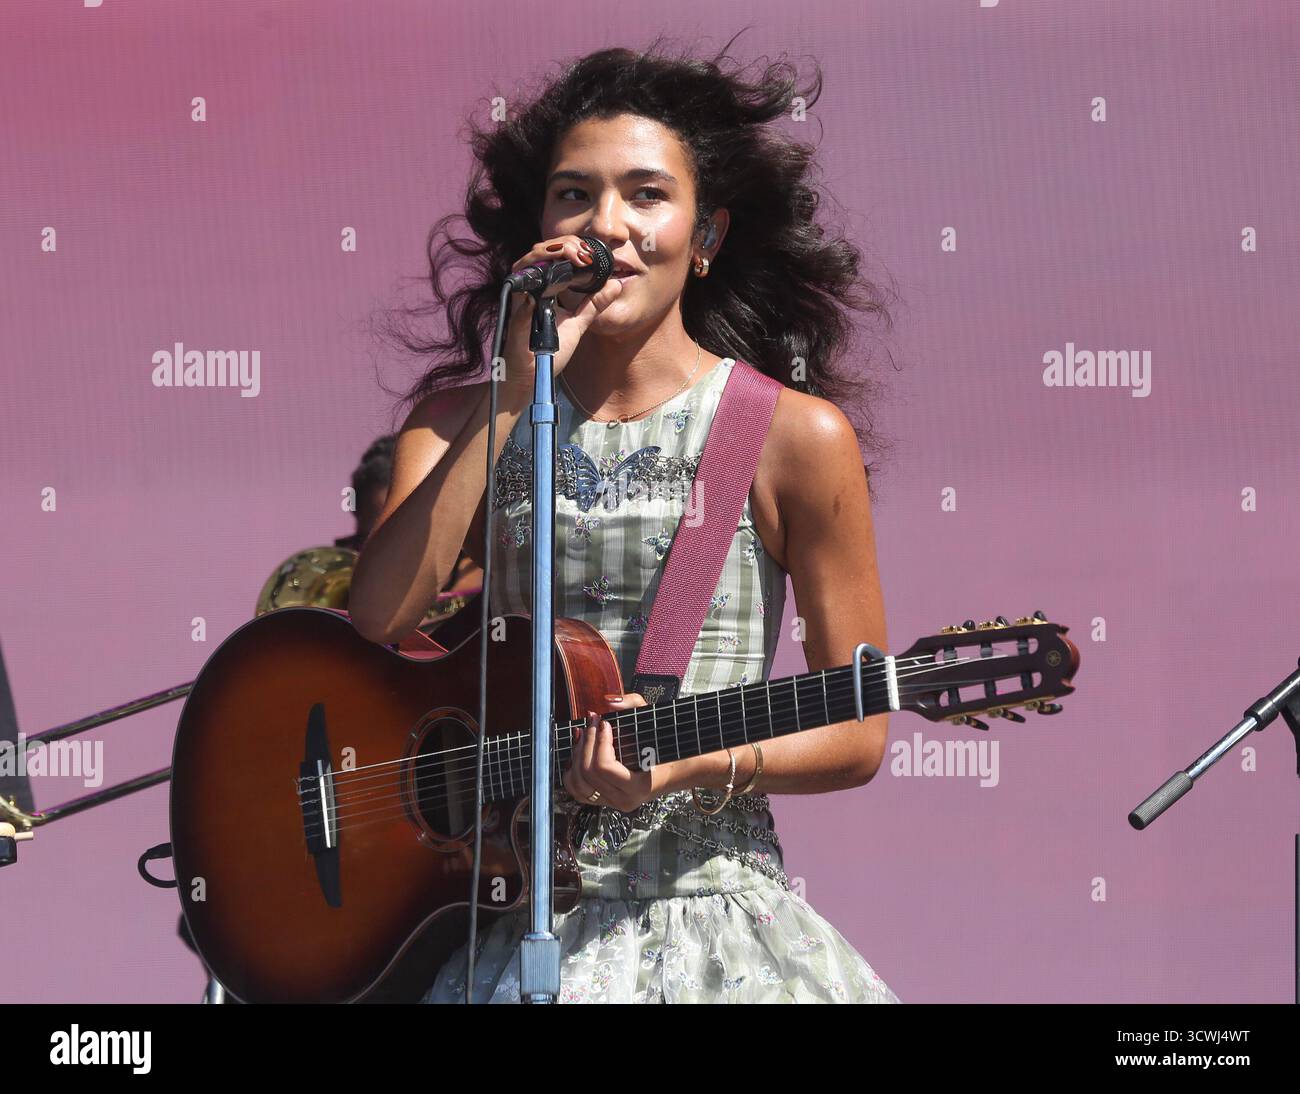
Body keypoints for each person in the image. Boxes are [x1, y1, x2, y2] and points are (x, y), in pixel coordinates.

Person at [349, 36, 900, 1003]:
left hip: (710, 921)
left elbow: (856, 734)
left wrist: (685, 762)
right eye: (575, 195)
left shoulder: (793, 435)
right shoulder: (454, 421)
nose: (607, 228)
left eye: (647, 195)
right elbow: (381, 616)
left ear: (707, 236)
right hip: (504, 926)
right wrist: (515, 392)